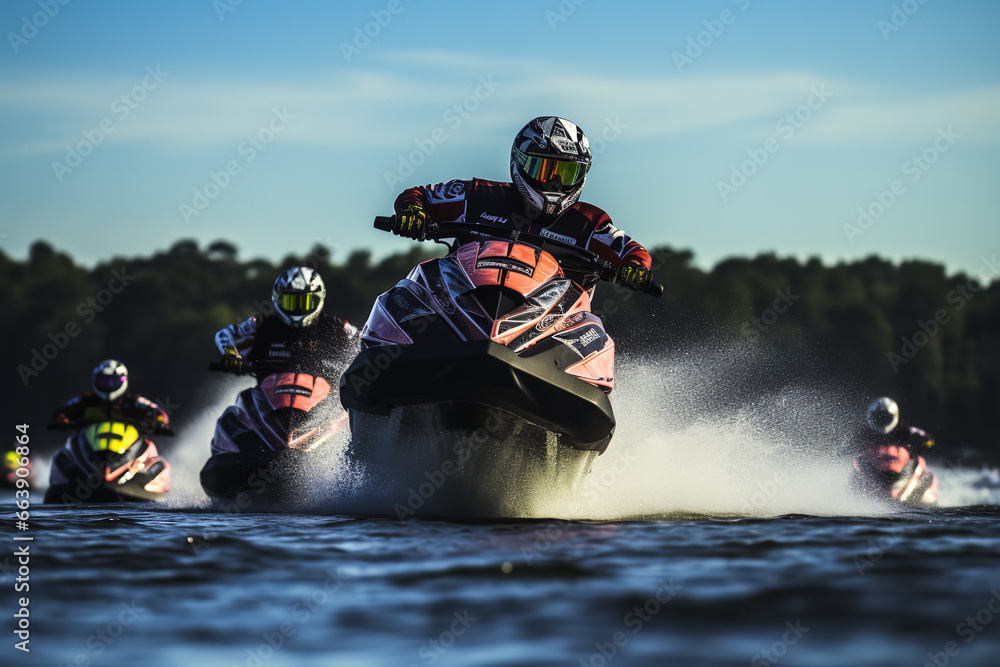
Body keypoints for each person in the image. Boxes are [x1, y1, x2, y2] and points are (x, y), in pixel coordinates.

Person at [388, 116, 653, 294]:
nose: (555, 183)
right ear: (519, 162)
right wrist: (413, 212)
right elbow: (419, 195)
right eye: (544, 169)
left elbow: (632, 251)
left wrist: (634, 268)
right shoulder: (478, 195)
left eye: (568, 173)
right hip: (464, 299)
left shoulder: (590, 223)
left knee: (594, 331)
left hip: (551, 323)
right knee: (408, 290)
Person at [46, 359, 172, 503]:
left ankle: (140, 482)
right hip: (91, 443)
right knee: (63, 455)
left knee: (153, 454)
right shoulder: (86, 400)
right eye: (104, 382)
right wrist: (63, 420)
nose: (109, 386)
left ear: (123, 381)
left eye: (113, 382)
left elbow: (160, 413)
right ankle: (82, 481)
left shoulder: (133, 401)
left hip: (129, 443)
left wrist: (159, 422)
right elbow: (61, 412)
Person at [214, 266, 359, 377]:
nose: (297, 309)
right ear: (277, 300)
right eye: (290, 302)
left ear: (318, 298)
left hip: (323, 401)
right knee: (233, 414)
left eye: (305, 302)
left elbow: (364, 342)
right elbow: (226, 333)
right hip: (268, 400)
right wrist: (231, 355)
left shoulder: (335, 326)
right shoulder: (262, 323)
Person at [853, 396, 938, 503]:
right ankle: (855, 498)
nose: (882, 420)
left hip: (902, 473)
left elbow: (929, 440)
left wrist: (926, 442)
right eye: (879, 417)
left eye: (885, 417)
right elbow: (845, 449)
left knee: (921, 463)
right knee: (855, 466)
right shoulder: (864, 433)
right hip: (874, 473)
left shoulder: (905, 431)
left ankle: (906, 497)